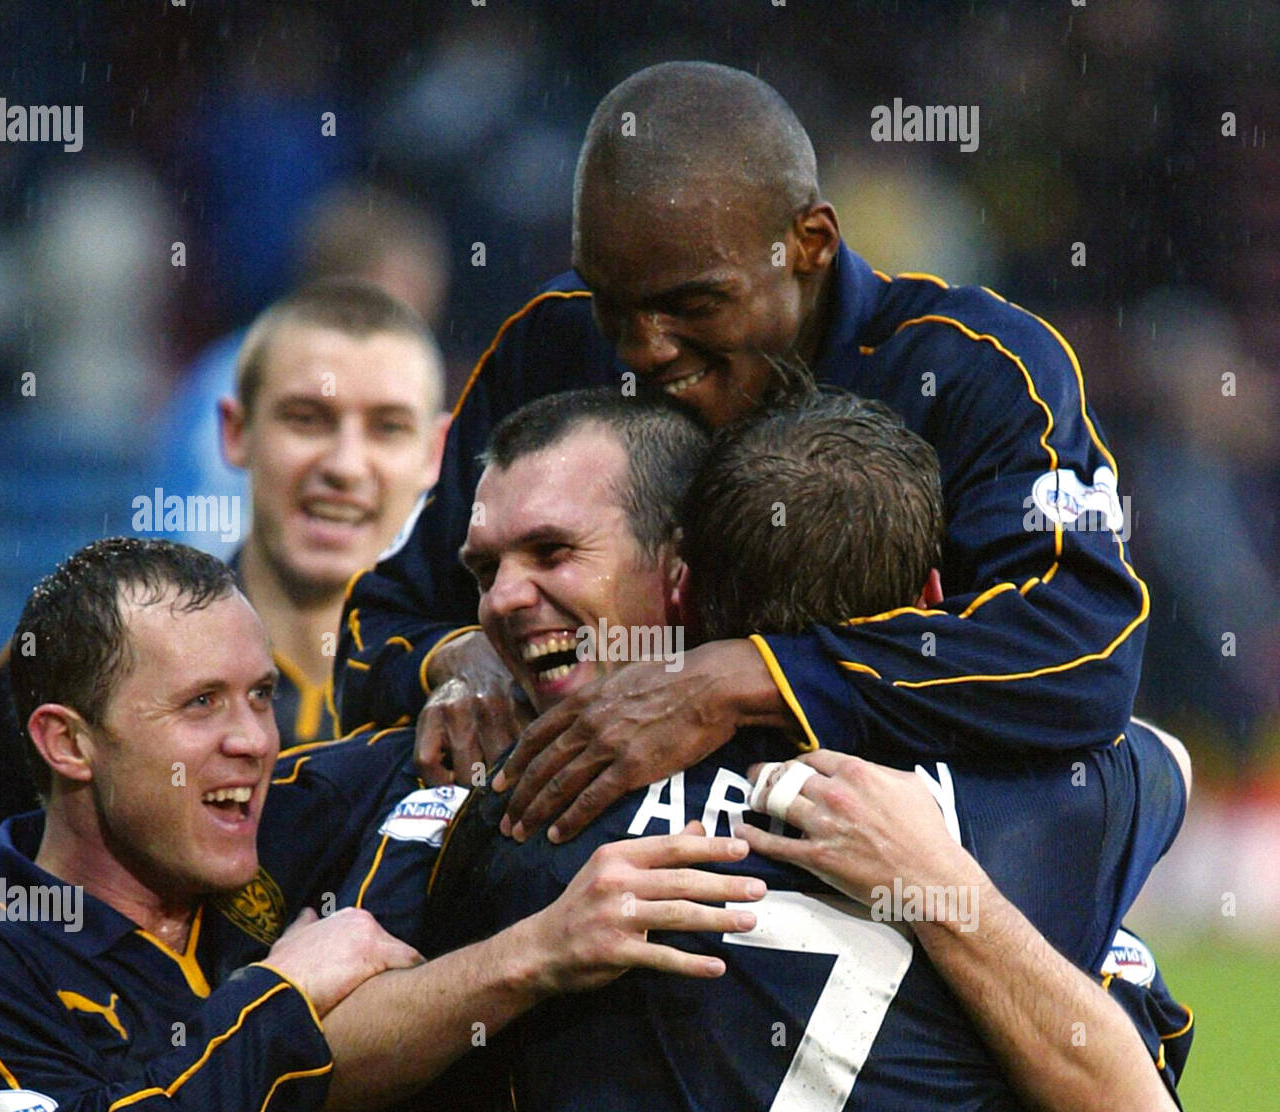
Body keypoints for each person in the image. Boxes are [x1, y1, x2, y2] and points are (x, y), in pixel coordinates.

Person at [421, 386, 1189, 1112]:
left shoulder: (544, 804)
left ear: (687, 592)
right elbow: (1157, 749)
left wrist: (447, 665)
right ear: (932, 598)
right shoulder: (1063, 805)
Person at [335, 62, 1150, 862]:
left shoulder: (976, 371)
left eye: (694, 304)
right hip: (583, 877)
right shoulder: (550, 349)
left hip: (897, 886)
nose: (644, 349)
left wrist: (738, 680)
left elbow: (1082, 652)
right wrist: (459, 659)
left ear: (810, 243)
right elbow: (374, 633)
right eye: (614, 305)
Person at [0, 537, 764, 1112]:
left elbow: (476, 731)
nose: (253, 742)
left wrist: (466, 674)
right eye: (200, 705)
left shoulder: (297, 814)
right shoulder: (0, 958)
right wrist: (278, 999)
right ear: (69, 744)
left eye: (260, 695)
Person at [0, 277, 448, 854]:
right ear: (236, 432)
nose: (346, 465)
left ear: (435, 453)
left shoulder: (473, 686)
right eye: (307, 419)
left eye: (387, 428)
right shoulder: (79, 661)